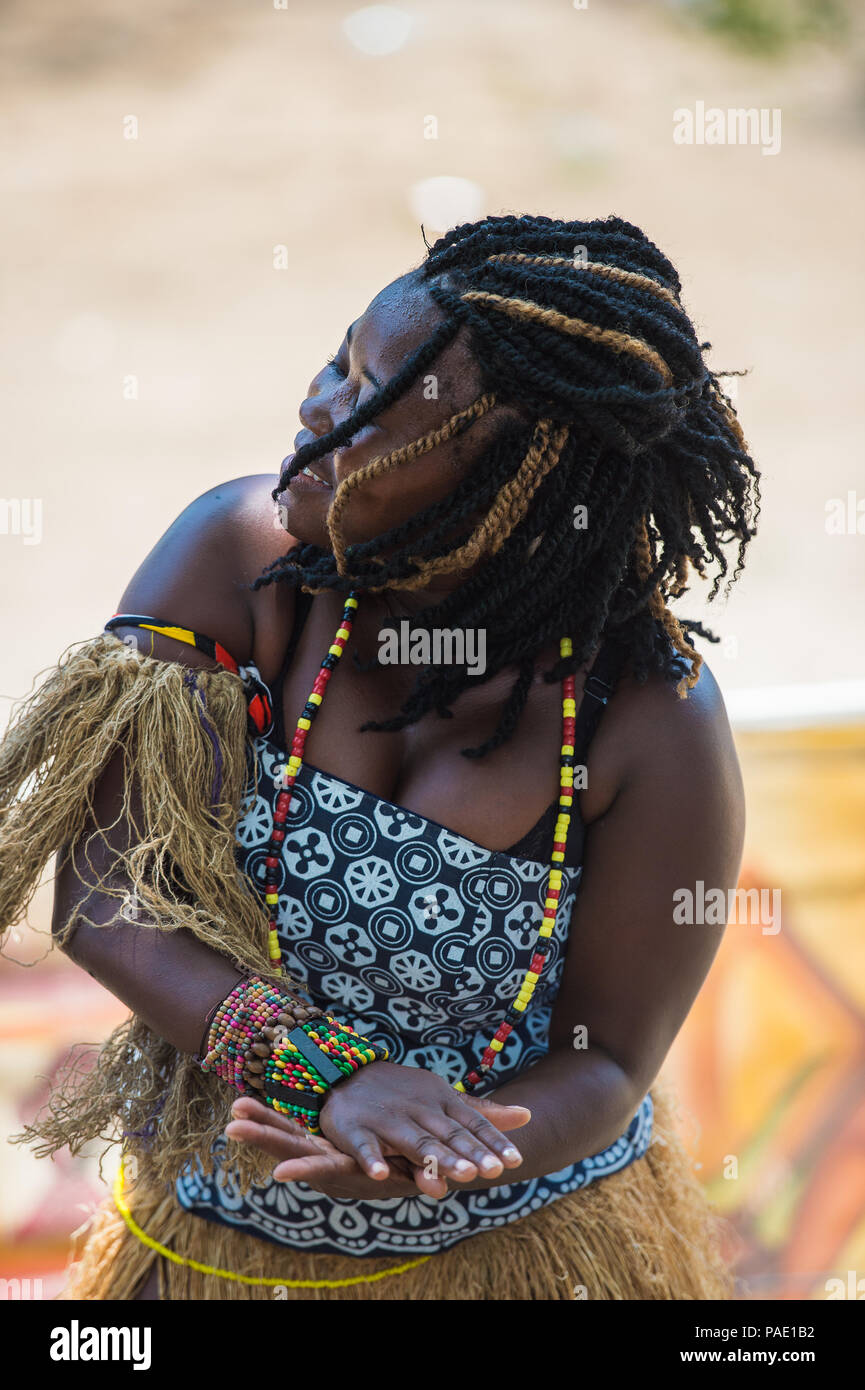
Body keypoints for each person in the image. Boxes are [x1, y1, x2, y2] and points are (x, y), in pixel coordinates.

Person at [0, 214, 757, 1300]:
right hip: (210, 1239)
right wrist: (325, 1077)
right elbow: (109, 891)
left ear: (511, 481)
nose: (316, 406)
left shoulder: (651, 720)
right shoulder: (240, 560)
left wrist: (451, 1156)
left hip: (521, 1255)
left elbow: (607, 1059)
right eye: (337, 358)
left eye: (367, 401)